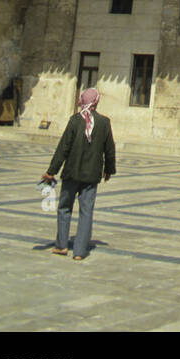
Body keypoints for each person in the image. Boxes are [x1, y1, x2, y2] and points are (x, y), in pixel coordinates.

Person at [41, 87, 116, 260]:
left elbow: (63, 148)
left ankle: (61, 245)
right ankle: (80, 251)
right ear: (96, 102)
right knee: (86, 211)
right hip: (91, 176)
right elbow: (109, 149)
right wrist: (109, 170)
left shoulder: (75, 121)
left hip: (71, 174)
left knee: (64, 208)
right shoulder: (104, 123)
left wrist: (51, 171)